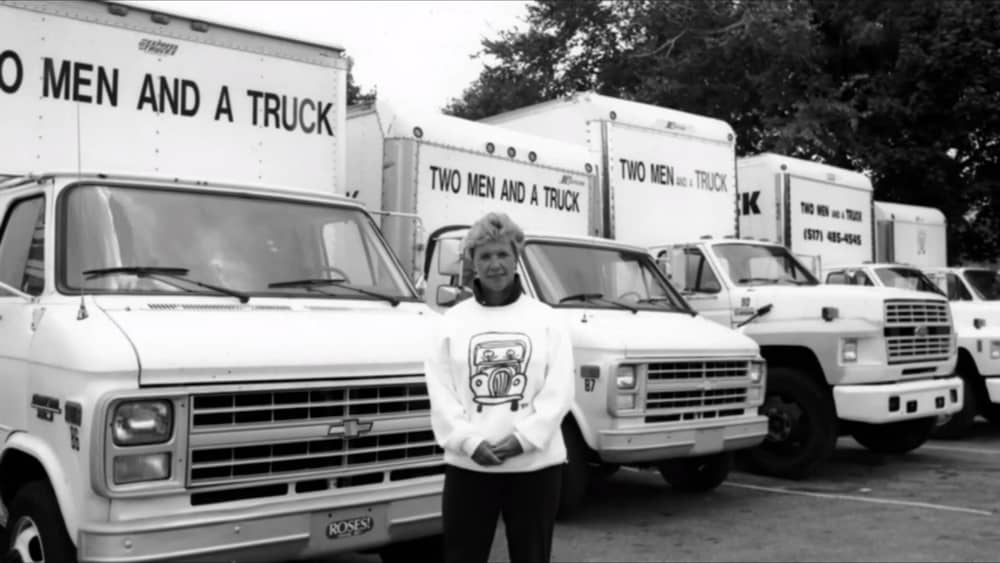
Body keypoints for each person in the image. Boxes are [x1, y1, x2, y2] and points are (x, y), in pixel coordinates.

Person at [424, 211, 575, 563]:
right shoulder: (451, 323)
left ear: (516, 257)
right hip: (470, 468)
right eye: (485, 256)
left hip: (535, 468)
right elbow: (441, 393)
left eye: (502, 254)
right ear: (472, 263)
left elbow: (560, 391)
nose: (495, 264)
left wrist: (523, 439)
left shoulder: (547, 320)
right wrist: (469, 442)